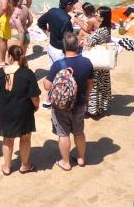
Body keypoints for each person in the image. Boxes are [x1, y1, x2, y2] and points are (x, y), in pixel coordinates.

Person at [44, 31, 94, 170]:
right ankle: (81, 158)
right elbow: (90, 82)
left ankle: (65, 162)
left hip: (61, 106)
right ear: (77, 45)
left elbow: (47, 86)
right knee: (79, 132)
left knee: (63, 133)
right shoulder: (86, 62)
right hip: (80, 104)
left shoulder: (58, 65)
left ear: (64, 47)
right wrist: (88, 96)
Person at [0, 44, 40, 175]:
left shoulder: (0, 73)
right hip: (24, 111)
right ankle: (25, 165)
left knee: (7, 139)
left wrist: (3, 104)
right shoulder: (28, 74)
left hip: (5, 111)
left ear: (10, 57)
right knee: (25, 138)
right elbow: (34, 96)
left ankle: (6, 166)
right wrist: (36, 106)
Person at [83, 6, 114, 118]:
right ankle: (100, 107)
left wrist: (85, 38)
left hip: (95, 63)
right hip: (103, 62)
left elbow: (89, 43)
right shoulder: (107, 29)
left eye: (97, 14)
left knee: (93, 86)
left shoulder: (99, 32)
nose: (95, 15)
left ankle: (92, 110)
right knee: (102, 86)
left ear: (102, 18)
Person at [37, 0, 77, 64]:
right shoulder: (66, 21)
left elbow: (40, 22)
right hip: (60, 52)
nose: (73, 6)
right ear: (68, 6)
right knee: (62, 73)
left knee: (53, 70)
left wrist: (47, 32)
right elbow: (67, 40)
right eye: (72, 4)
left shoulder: (52, 11)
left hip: (51, 47)